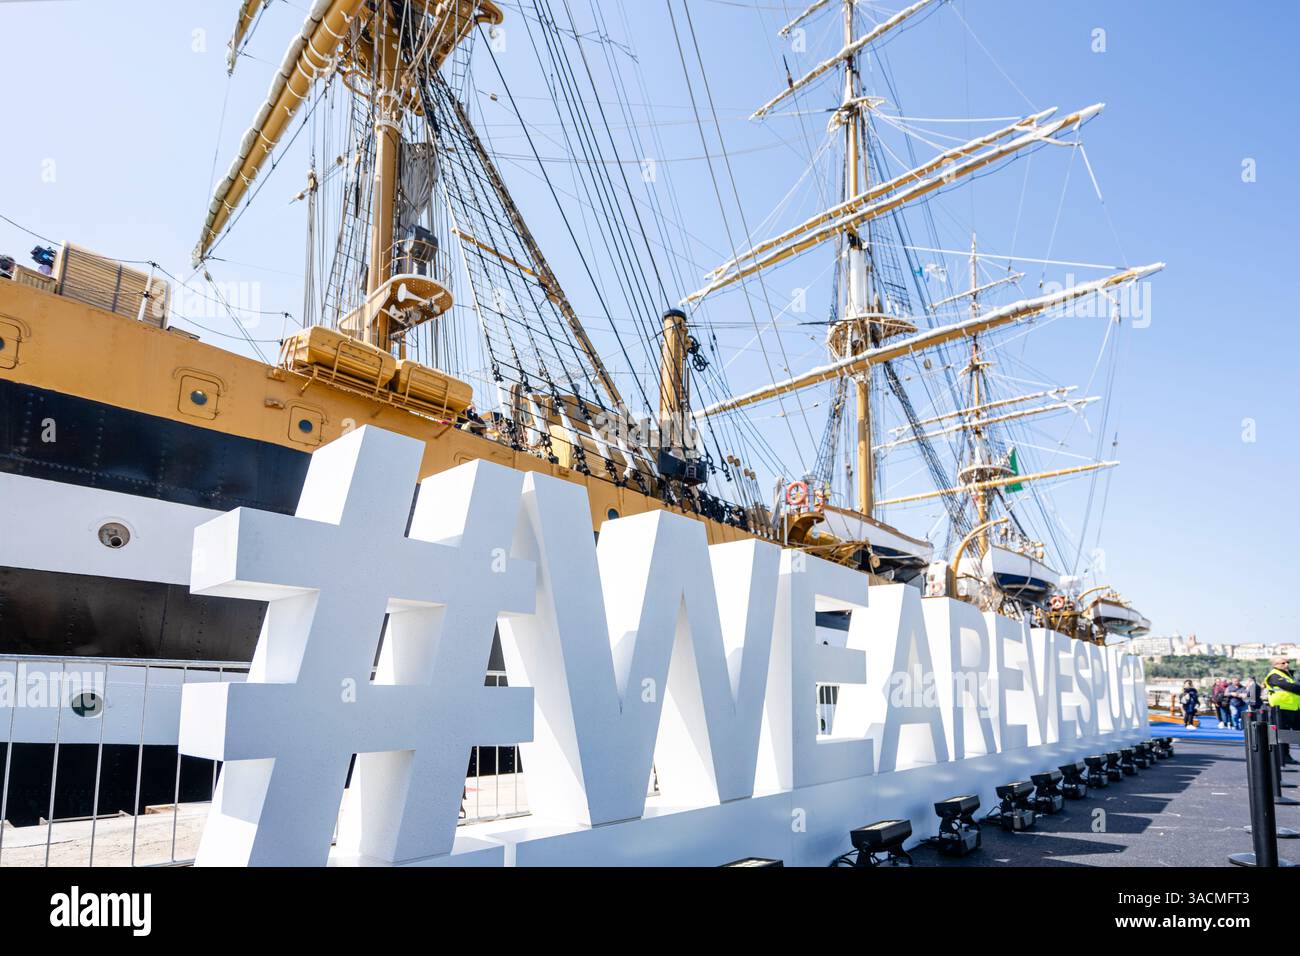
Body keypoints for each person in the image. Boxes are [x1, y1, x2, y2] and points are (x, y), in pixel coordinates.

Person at [1265, 657, 1300, 765]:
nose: (1286, 664)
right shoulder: (1274, 675)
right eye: (1283, 663)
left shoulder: (1288, 674)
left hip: (1294, 708)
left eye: (1288, 662)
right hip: (1281, 709)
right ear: (1275, 664)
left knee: (1296, 733)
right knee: (1283, 734)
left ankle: (1285, 756)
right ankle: (1284, 757)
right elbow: (1290, 687)